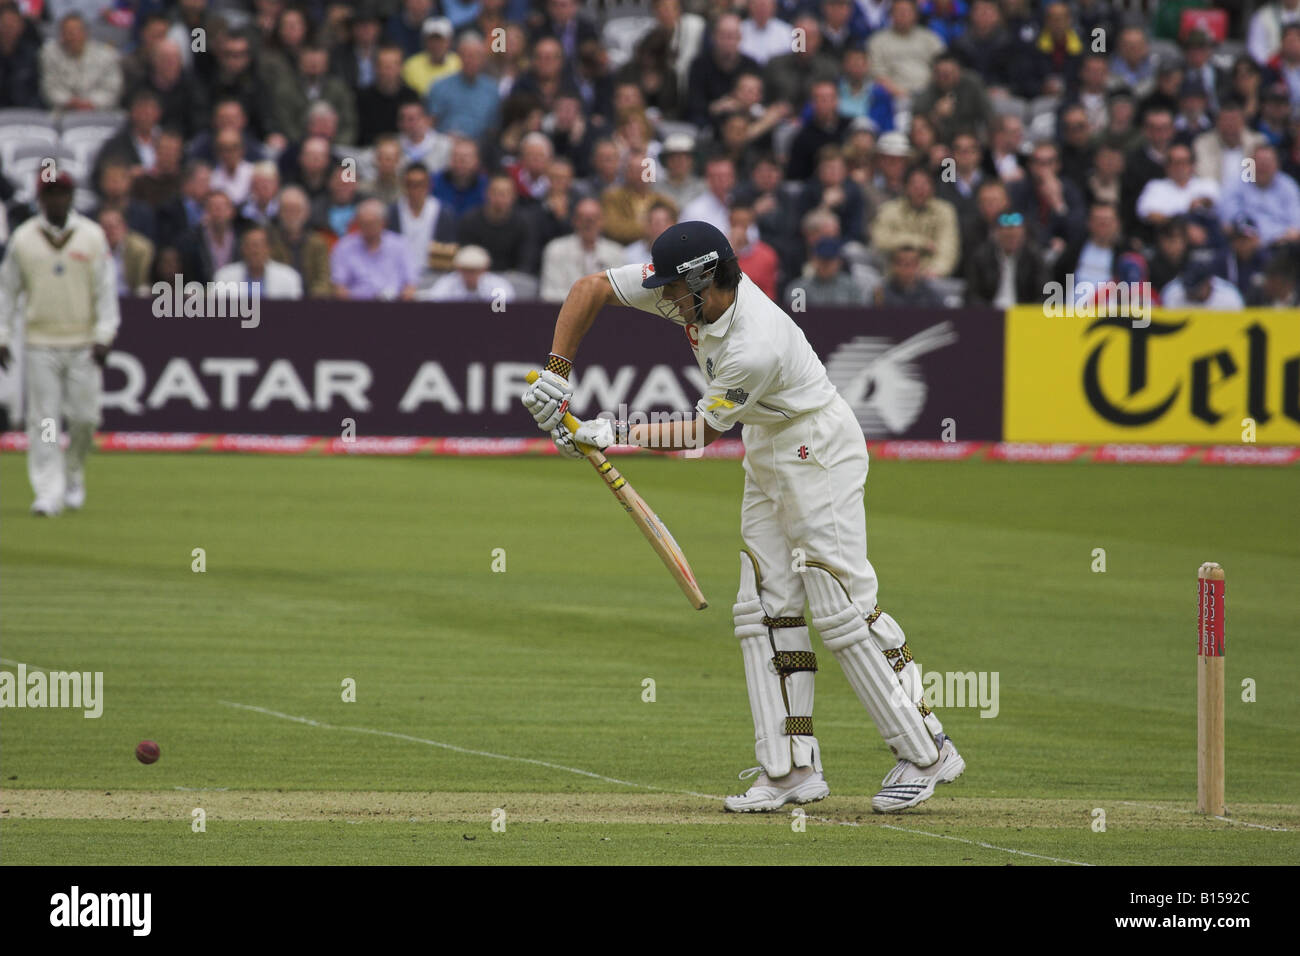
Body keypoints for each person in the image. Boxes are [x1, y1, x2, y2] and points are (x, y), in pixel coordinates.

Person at [521, 221, 966, 814]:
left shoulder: (755, 344)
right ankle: (790, 769)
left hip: (818, 449)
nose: (668, 301)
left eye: (677, 290)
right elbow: (589, 289)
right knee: (763, 606)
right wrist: (557, 371)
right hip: (768, 448)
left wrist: (615, 430)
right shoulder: (688, 291)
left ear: (707, 281)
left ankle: (927, 750)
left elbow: (701, 432)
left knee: (842, 605)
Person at [0, 173, 120, 516]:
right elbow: (7, 292)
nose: (56, 201)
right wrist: (3, 335)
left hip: (83, 342)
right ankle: (47, 491)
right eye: (50, 194)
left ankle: (72, 473)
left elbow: (105, 291)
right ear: (40, 199)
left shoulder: (92, 236)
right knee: (46, 420)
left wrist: (104, 335)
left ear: (72, 197)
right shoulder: (23, 239)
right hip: (41, 342)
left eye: (62, 194)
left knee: (85, 418)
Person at [213, 225, 304, 299]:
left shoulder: (289, 277)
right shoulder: (224, 277)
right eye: (250, 246)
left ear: (269, 248)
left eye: (259, 245)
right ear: (243, 249)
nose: (254, 251)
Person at [423, 244, 514, 302]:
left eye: (474, 270)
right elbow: (435, 308)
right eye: (465, 270)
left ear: (484, 269)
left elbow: (502, 313)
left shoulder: (499, 286)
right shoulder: (446, 284)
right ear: (458, 269)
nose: (469, 275)